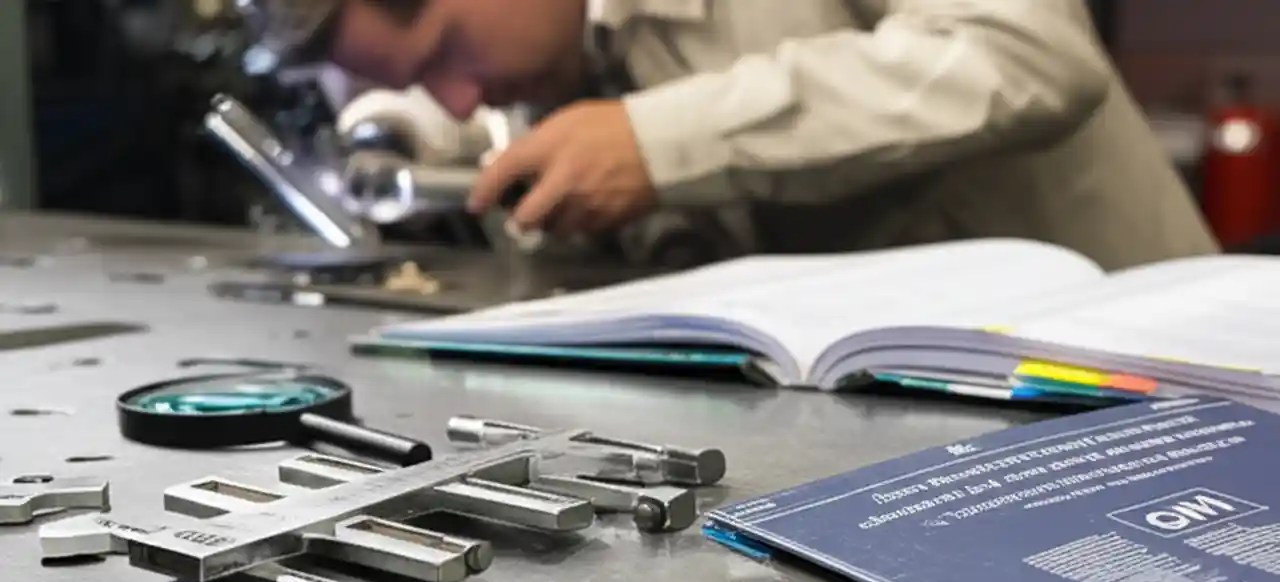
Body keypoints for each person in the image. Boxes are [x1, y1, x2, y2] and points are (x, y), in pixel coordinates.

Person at [244, 0, 1219, 270]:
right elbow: (467, 119)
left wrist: (663, 143)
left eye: (446, 52)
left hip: (1150, 402)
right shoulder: (536, 56)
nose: (457, 102)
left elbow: (1028, 47)